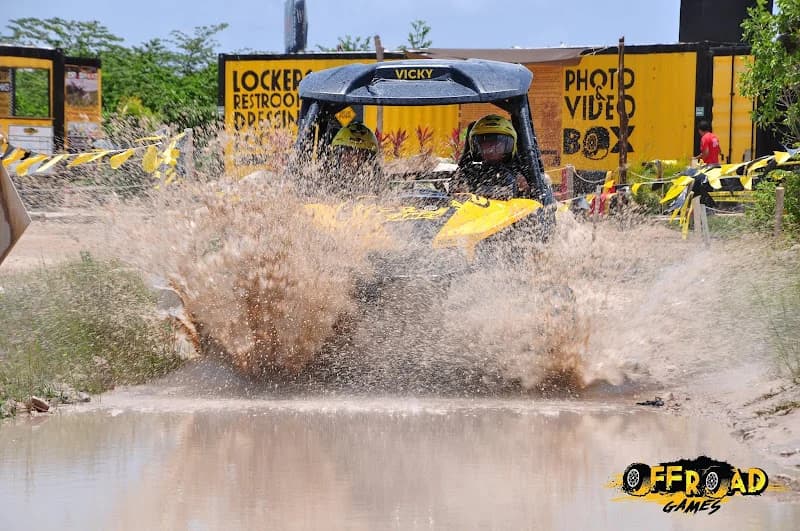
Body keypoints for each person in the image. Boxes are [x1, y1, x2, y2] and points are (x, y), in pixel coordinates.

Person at [456, 114, 529, 199]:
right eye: (485, 143)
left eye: (497, 143)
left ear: (509, 145)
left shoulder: (521, 173)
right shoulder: (467, 172)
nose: (491, 148)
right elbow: (456, 196)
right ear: (476, 146)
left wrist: (525, 189)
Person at [326, 121, 383, 195]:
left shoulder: (375, 183)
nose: (353, 157)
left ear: (367, 158)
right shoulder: (324, 180)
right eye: (348, 151)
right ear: (338, 154)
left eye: (359, 153)